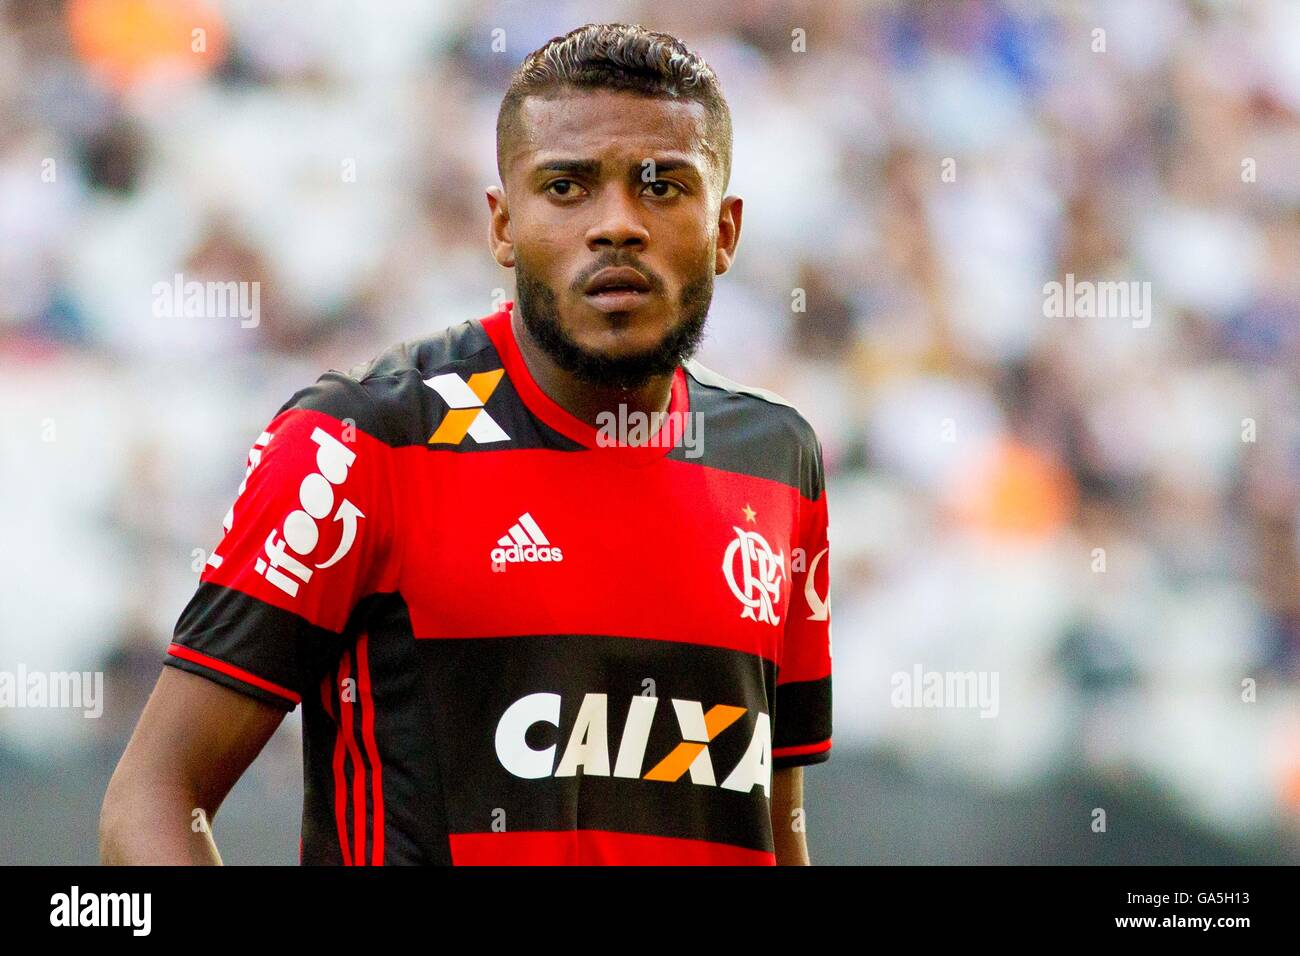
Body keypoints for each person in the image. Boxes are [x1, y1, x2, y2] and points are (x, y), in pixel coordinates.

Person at [100, 21, 832, 866]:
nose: (617, 225)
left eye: (663, 187)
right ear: (502, 226)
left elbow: (777, 828)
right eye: (567, 187)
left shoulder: (780, 462)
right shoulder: (359, 444)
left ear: (726, 230)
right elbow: (155, 797)